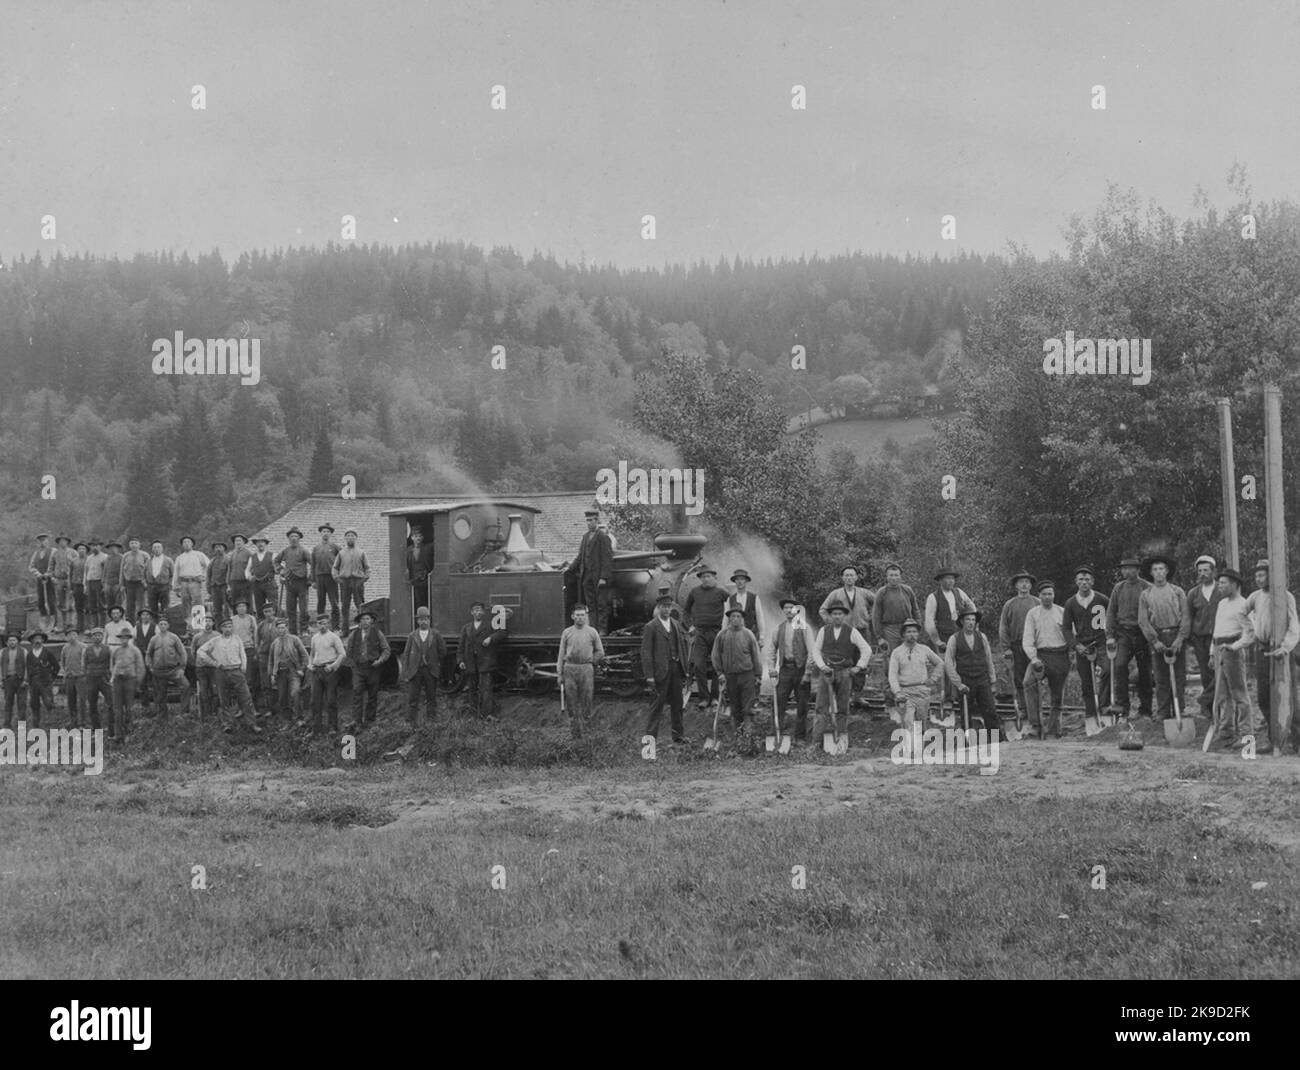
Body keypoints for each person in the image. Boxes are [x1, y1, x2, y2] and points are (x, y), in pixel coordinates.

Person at [1245, 558, 1299, 754]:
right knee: (1264, 697)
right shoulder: (1255, 597)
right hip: (1262, 651)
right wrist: (1252, 631)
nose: (1259, 579)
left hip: (1282, 652)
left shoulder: (1286, 597)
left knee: (1287, 696)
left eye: (1263, 575)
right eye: (1256, 575)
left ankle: (1297, 741)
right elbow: (1242, 613)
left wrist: (1285, 647)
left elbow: (1294, 626)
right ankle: (1274, 738)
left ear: (1272, 575)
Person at [1207, 567, 1256, 752]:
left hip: (1233, 650)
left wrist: (1235, 647)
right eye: (1219, 583)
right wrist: (1213, 652)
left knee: (1239, 693)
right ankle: (1226, 734)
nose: (1220, 586)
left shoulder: (1244, 604)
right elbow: (1217, 630)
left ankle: (1247, 737)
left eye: (1223, 583)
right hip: (1220, 649)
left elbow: (1250, 632)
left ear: (1235, 584)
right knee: (1222, 695)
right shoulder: (1222, 604)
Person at [1138, 553, 1189, 723]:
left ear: (1167, 571)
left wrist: (1179, 639)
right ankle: (1163, 712)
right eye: (1155, 569)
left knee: (1179, 677)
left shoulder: (1177, 591)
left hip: (1175, 635)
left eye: (1161, 569)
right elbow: (1143, 621)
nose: (1159, 572)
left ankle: (1179, 710)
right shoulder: (1146, 594)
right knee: (1160, 678)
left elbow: (1186, 617)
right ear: (1151, 573)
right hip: (1158, 636)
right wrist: (1154, 641)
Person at [813, 603, 872, 740]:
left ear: (844, 616)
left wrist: (858, 667)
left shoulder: (852, 631)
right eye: (834, 614)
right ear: (830, 616)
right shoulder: (823, 630)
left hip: (845, 672)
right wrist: (822, 666)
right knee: (821, 707)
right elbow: (816, 650)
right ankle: (816, 741)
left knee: (843, 707)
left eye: (840, 614)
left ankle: (840, 738)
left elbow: (866, 649)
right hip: (826, 672)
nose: (837, 617)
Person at [1062, 565, 1111, 724]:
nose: (1084, 582)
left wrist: (1111, 637)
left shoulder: (1102, 599)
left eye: (1087, 579)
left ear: (1092, 582)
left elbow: (1111, 620)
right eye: (1081, 580)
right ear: (1076, 582)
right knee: (1086, 680)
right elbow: (1067, 628)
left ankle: (1104, 707)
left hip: (1101, 642)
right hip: (1083, 645)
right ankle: (1091, 713)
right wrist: (1076, 645)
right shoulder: (1070, 603)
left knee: (1107, 671)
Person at [1106, 555, 1153, 719]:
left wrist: (1151, 636)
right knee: (1119, 666)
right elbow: (1111, 612)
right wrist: (1110, 636)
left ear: (1137, 570)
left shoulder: (1146, 587)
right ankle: (1122, 706)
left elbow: (1152, 613)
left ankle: (1146, 709)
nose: (1127, 572)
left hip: (1142, 634)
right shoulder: (1118, 588)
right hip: (1123, 634)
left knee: (1145, 671)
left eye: (1130, 568)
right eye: (1124, 569)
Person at [641, 594, 693, 745]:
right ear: (658, 608)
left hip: (676, 670)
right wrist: (649, 676)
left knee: (677, 705)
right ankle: (650, 743)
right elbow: (646, 653)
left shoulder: (676, 624)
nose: (666, 609)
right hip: (660, 673)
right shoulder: (651, 626)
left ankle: (678, 737)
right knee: (656, 707)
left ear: (672, 608)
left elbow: (683, 647)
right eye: (663, 607)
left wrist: (685, 669)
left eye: (669, 606)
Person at [944, 607, 1002, 738]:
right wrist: (958, 684)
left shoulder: (982, 637)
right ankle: (968, 742)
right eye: (968, 620)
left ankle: (997, 740)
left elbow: (989, 659)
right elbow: (948, 663)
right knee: (966, 713)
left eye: (973, 620)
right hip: (965, 681)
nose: (971, 622)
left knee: (990, 711)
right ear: (962, 622)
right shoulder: (954, 639)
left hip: (982, 679)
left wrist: (992, 681)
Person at [1023, 580, 1070, 739]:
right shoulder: (1033, 614)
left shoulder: (1062, 612)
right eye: (1044, 594)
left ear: (1054, 595)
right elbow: (1028, 639)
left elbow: (1072, 635)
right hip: (1041, 655)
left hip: (1059, 655)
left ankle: (1053, 729)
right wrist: (1034, 658)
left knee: (1057, 693)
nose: (1047, 597)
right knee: (1028, 682)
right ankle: (1035, 725)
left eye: (1050, 594)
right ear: (1039, 596)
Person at [196, 618, 261, 733]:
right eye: (225, 627)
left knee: (246, 697)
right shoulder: (216, 641)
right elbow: (200, 651)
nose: (228, 629)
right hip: (222, 672)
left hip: (236, 671)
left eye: (230, 626)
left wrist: (243, 667)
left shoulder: (237, 639)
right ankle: (227, 724)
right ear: (221, 628)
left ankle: (252, 724)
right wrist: (214, 663)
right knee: (224, 699)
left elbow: (242, 653)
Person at [711, 606, 764, 735]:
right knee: (735, 706)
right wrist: (720, 674)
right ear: (729, 619)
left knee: (747, 707)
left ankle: (748, 735)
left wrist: (758, 675)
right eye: (733, 617)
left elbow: (756, 656)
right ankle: (737, 734)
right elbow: (715, 655)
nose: (735, 619)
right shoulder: (722, 635)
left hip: (747, 675)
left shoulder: (748, 634)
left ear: (742, 619)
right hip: (730, 676)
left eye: (738, 617)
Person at [683, 565, 727, 710]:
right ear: (700, 579)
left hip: (717, 632)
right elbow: (686, 610)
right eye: (703, 577)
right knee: (698, 665)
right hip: (700, 633)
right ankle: (703, 698)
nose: (706, 579)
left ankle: (715, 697)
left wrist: (726, 627)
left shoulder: (721, 592)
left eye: (709, 576)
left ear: (714, 577)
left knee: (717, 665)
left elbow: (733, 607)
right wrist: (690, 625)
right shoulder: (695, 592)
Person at [769, 596, 813, 743]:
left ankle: (800, 737)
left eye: (791, 608)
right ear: (783, 611)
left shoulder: (804, 627)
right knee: (779, 701)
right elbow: (771, 649)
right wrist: (771, 668)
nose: (788, 610)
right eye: (786, 608)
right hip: (785, 670)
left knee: (802, 704)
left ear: (797, 610)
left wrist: (807, 672)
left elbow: (811, 652)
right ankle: (776, 733)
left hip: (800, 669)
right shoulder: (779, 628)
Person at [558, 604, 606, 738]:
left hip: (586, 669)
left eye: (582, 615)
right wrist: (559, 673)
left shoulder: (592, 632)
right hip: (570, 669)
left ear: (586, 617)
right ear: (573, 616)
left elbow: (600, 652)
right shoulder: (567, 632)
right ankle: (575, 735)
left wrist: (591, 662)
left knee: (587, 701)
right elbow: (561, 654)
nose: (580, 618)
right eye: (577, 615)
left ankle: (587, 735)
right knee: (571, 703)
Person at [886, 618, 943, 727]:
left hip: (922, 692)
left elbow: (940, 663)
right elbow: (892, 675)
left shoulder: (924, 649)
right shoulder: (897, 652)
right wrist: (897, 692)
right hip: (905, 693)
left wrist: (933, 679)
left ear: (918, 634)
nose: (912, 634)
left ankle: (920, 743)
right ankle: (909, 744)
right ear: (903, 634)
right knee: (908, 723)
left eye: (914, 632)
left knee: (921, 725)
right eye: (909, 632)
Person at [565, 509, 614, 632]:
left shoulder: (603, 537)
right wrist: (569, 568)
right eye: (587, 521)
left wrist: (603, 577)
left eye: (591, 520)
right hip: (586, 576)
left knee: (601, 604)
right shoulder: (585, 537)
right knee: (590, 605)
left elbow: (607, 559)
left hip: (598, 577)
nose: (589, 523)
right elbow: (580, 556)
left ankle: (602, 630)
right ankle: (593, 629)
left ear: (597, 521)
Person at [1186, 554, 1222, 719]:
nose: (1202, 574)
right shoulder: (1193, 593)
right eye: (1200, 571)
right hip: (1200, 639)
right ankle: (1209, 709)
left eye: (1206, 570)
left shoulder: (1221, 590)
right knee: (1206, 674)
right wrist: (1191, 638)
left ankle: (1210, 701)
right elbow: (1189, 616)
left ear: (1213, 572)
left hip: (1219, 637)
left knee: (1221, 672)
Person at [458, 601, 506, 719]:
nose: (477, 612)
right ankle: (473, 715)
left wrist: (491, 638)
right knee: (472, 689)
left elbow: (503, 632)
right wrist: (460, 661)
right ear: (471, 612)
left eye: (480, 610)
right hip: (470, 663)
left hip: (485, 662)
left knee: (486, 689)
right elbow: (460, 646)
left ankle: (487, 714)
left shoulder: (490, 625)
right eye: (475, 610)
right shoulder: (466, 628)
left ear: (483, 612)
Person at [345, 608, 391, 730]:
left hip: (373, 668)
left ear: (371, 621)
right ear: (359, 622)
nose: (364, 621)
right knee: (357, 693)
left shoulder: (378, 633)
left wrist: (379, 661)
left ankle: (370, 721)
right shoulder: (353, 634)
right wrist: (353, 665)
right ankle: (357, 721)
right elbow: (348, 651)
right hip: (358, 669)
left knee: (372, 694)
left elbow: (386, 650)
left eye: (367, 619)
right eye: (362, 619)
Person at [401, 606, 445, 727]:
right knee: (413, 698)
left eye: (425, 619)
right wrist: (406, 672)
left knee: (431, 697)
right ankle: (410, 722)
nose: (423, 621)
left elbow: (443, 652)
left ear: (429, 620)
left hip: (430, 671)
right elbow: (406, 654)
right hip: (416, 671)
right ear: (417, 621)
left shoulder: (436, 634)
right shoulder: (412, 636)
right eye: (421, 619)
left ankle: (431, 721)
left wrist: (436, 664)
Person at [306, 616, 347, 734]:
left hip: (329, 671)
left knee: (331, 700)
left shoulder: (334, 637)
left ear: (328, 624)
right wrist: (310, 665)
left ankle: (333, 727)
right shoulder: (314, 638)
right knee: (314, 700)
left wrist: (333, 666)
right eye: (319, 623)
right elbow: (312, 654)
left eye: (324, 623)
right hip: (316, 671)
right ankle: (316, 728)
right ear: (317, 625)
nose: (322, 626)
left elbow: (342, 654)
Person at [871, 563, 921, 653]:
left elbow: (915, 610)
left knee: (909, 654)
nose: (894, 578)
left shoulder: (907, 590)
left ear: (900, 577)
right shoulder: (882, 592)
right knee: (892, 655)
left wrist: (918, 627)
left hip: (907, 627)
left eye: (896, 575)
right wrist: (879, 637)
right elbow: (876, 616)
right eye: (891, 575)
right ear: (887, 577)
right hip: (890, 629)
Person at [146, 617, 189, 719]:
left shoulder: (174, 637)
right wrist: (150, 666)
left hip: (173, 670)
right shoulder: (154, 639)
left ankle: (184, 713)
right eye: (161, 624)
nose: (163, 626)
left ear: (168, 626)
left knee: (186, 686)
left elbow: (182, 652)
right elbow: (148, 654)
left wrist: (182, 668)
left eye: (165, 624)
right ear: (158, 626)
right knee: (160, 694)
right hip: (159, 671)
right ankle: (162, 715)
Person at [268, 618, 309, 722]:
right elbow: (271, 661)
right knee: (282, 697)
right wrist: (272, 674)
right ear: (276, 629)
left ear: (286, 628)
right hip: (280, 673)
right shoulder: (274, 643)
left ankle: (299, 717)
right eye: (279, 628)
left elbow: (305, 655)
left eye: (283, 627)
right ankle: (287, 720)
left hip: (293, 671)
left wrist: (302, 669)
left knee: (295, 692)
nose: (281, 630)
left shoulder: (294, 639)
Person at [819, 565, 874, 641]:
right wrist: (832, 621)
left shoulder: (864, 592)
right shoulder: (836, 594)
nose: (849, 578)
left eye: (851, 575)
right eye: (846, 575)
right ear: (842, 578)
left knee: (865, 651)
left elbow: (878, 603)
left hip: (862, 630)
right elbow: (823, 610)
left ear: (856, 577)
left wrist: (870, 616)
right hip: (843, 630)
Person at [276, 527, 313, 635]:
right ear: (288, 538)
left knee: (303, 609)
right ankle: (292, 631)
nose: (293, 539)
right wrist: (281, 570)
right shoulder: (285, 551)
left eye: (296, 536)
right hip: (289, 583)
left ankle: (304, 629)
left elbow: (313, 564)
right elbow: (276, 561)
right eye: (291, 536)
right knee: (290, 609)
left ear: (299, 538)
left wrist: (310, 579)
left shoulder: (304, 551)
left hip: (302, 583)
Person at [106, 628, 141, 739]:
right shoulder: (116, 651)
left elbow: (140, 667)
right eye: (122, 638)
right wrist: (114, 676)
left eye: (126, 638)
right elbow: (112, 666)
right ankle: (118, 734)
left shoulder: (135, 650)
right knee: (117, 709)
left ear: (129, 639)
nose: (124, 640)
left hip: (130, 680)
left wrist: (137, 682)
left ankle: (129, 733)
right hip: (118, 681)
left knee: (129, 708)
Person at [332, 529, 370, 627]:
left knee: (360, 605)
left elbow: (367, 568)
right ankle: (345, 629)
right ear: (345, 538)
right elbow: (335, 567)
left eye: (352, 536)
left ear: (356, 538)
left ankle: (362, 627)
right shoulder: (341, 553)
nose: (350, 538)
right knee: (345, 606)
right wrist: (337, 578)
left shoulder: (361, 552)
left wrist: (364, 579)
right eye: (348, 536)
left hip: (358, 581)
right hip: (345, 581)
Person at [24, 630, 60, 728]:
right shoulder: (29, 655)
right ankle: (36, 726)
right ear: (31, 641)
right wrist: (30, 682)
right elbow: (28, 668)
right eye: (35, 639)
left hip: (46, 683)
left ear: (43, 640)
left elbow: (56, 667)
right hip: (34, 684)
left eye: (39, 639)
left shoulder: (47, 653)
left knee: (49, 703)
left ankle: (51, 725)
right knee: (34, 705)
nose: (37, 641)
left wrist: (51, 678)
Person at [189, 614, 221, 721]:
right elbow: (193, 652)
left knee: (215, 691)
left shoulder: (217, 635)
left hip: (214, 667)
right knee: (203, 691)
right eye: (205, 621)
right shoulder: (197, 637)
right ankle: (205, 715)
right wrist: (198, 662)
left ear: (213, 623)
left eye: (209, 621)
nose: (207, 623)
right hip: (201, 668)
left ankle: (214, 713)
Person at [83, 627, 115, 734]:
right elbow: (84, 664)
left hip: (104, 678)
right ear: (92, 637)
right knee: (92, 704)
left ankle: (112, 728)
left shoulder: (107, 649)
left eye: (99, 635)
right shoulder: (87, 649)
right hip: (91, 678)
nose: (97, 637)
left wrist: (110, 677)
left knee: (111, 703)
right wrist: (86, 676)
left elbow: (111, 664)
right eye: (95, 635)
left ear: (102, 637)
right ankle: (96, 728)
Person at [174, 536, 210, 624]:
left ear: (192, 544)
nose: (186, 544)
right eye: (184, 542)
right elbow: (176, 573)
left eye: (188, 542)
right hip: (183, 583)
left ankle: (198, 625)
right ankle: (189, 627)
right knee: (185, 604)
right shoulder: (179, 558)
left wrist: (203, 576)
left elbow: (209, 566)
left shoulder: (199, 554)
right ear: (182, 545)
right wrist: (176, 587)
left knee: (197, 603)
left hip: (195, 582)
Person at [726, 569, 766, 647]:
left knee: (753, 658)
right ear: (735, 582)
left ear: (746, 581)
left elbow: (760, 617)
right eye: (737, 579)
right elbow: (726, 619)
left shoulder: (754, 597)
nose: (739, 582)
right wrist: (723, 634)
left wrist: (762, 637)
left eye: (742, 579)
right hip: (735, 636)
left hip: (752, 635)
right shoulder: (730, 599)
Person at [312, 524, 340, 631]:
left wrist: (339, 575)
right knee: (320, 602)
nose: (325, 533)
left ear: (331, 534)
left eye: (328, 532)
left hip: (331, 578)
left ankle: (336, 627)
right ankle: (321, 626)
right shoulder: (316, 548)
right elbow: (313, 565)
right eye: (324, 531)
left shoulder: (335, 547)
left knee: (334, 603)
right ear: (321, 533)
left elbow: (342, 560)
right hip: (319, 578)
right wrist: (313, 580)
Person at [230, 600, 258, 703]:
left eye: (243, 606)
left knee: (249, 676)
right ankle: (239, 703)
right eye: (239, 606)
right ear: (236, 609)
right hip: (236, 650)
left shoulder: (251, 618)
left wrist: (255, 648)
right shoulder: (232, 619)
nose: (241, 608)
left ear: (246, 608)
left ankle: (250, 702)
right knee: (237, 677)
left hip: (248, 648)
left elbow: (255, 633)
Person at [28, 533, 57, 633]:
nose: (42, 542)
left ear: (48, 541)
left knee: (51, 600)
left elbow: (55, 565)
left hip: (50, 579)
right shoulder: (36, 553)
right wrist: (39, 574)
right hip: (40, 580)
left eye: (44, 540)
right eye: (40, 540)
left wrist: (48, 574)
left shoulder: (53, 551)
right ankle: (44, 618)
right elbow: (31, 567)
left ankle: (54, 621)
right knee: (41, 600)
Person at [119, 536, 151, 623]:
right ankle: (130, 623)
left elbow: (149, 570)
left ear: (139, 545)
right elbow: (122, 571)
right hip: (129, 584)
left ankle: (140, 623)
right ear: (129, 545)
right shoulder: (125, 556)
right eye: (132, 543)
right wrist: (121, 584)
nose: (134, 545)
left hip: (140, 583)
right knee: (129, 605)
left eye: (136, 543)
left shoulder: (145, 555)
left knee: (141, 605)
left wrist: (147, 583)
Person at [405, 527, 435, 615]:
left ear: (422, 538)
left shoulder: (428, 548)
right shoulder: (408, 550)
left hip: (426, 581)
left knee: (428, 601)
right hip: (414, 581)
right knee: (416, 603)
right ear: (412, 538)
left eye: (419, 536)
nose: (418, 538)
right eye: (415, 536)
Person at [255, 604, 279, 713]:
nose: (268, 614)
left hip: (277, 655)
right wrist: (258, 653)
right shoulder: (261, 625)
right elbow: (257, 641)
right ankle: (268, 708)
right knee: (265, 682)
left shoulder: (280, 623)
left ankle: (281, 707)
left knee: (278, 680)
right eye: (265, 612)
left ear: (273, 611)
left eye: (270, 611)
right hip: (264, 655)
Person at [60, 628, 87, 727]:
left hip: (80, 678)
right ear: (66, 637)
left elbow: (87, 662)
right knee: (71, 701)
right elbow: (63, 662)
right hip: (69, 677)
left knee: (82, 701)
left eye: (74, 634)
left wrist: (83, 673)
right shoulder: (65, 648)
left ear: (77, 636)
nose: (72, 637)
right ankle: (73, 721)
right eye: (69, 635)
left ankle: (82, 722)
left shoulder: (84, 647)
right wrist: (65, 673)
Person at [133, 609, 158, 716]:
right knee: (143, 681)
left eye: (147, 614)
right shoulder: (136, 628)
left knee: (155, 680)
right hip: (141, 657)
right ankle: (145, 705)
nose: (145, 616)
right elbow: (133, 641)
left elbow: (157, 641)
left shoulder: (155, 627)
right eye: (143, 615)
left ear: (150, 617)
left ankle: (157, 704)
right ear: (140, 617)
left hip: (152, 656)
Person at [247, 536, 278, 618]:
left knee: (273, 605)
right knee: (259, 606)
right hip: (257, 584)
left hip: (269, 583)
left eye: (262, 542)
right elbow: (247, 570)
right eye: (258, 542)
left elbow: (279, 567)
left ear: (265, 544)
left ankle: (276, 624)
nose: (260, 544)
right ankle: (261, 625)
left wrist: (279, 571)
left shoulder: (273, 555)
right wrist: (249, 577)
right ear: (256, 544)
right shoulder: (252, 557)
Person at [2, 631, 27, 729]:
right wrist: (1, 680)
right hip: (8, 680)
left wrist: (25, 679)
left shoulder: (24, 651)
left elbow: (27, 667)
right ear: (7, 642)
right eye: (10, 640)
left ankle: (22, 727)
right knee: (8, 704)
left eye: (14, 640)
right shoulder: (2, 652)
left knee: (22, 704)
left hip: (20, 680)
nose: (12, 642)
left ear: (18, 641)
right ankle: (6, 726)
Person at [144, 540, 174, 621]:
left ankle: (166, 623)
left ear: (162, 549)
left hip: (164, 586)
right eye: (154, 547)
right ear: (152, 549)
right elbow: (144, 574)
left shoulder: (168, 560)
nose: (156, 549)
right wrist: (146, 584)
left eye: (158, 547)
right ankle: (154, 624)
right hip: (151, 587)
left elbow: (172, 574)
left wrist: (170, 584)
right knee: (152, 607)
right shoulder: (148, 561)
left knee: (165, 607)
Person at [83, 538, 109, 630]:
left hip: (100, 582)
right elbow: (86, 572)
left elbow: (107, 572)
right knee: (92, 605)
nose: (95, 547)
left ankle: (102, 626)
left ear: (100, 546)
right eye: (93, 545)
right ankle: (94, 626)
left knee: (102, 604)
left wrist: (104, 584)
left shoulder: (105, 557)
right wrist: (85, 585)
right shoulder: (89, 558)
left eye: (97, 545)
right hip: (90, 582)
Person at [50, 534, 73, 632]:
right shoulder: (55, 554)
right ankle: (61, 625)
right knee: (60, 603)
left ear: (67, 542)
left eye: (64, 541)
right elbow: (50, 567)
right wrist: (52, 578)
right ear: (58, 542)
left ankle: (70, 625)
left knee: (70, 602)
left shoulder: (73, 552)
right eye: (60, 541)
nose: (62, 542)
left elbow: (77, 566)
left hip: (69, 579)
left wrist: (72, 579)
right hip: (58, 580)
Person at [226, 534, 253, 616]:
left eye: (239, 540)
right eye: (236, 541)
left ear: (244, 542)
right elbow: (229, 569)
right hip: (234, 582)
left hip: (245, 582)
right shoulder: (233, 554)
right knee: (234, 602)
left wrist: (250, 577)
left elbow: (253, 567)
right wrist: (228, 584)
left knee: (246, 602)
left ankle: (249, 619)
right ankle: (235, 619)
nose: (237, 542)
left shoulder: (248, 553)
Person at [206, 540, 230, 629]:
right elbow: (208, 575)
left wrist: (228, 586)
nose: (218, 549)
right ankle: (218, 628)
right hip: (214, 587)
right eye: (216, 547)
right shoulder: (212, 561)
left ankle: (228, 627)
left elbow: (229, 573)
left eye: (220, 547)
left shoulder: (227, 560)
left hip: (224, 587)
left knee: (227, 609)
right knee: (216, 610)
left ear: (224, 549)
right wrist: (208, 587)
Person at [69, 542, 89, 632]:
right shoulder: (74, 561)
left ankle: (87, 627)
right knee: (78, 607)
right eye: (79, 549)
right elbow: (70, 574)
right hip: (76, 586)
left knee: (87, 606)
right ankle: (79, 626)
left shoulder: (89, 560)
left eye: (83, 549)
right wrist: (71, 587)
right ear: (77, 550)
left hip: (87, 586)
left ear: (86, 550)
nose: (81, 550)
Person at [102, 540, 124, 619]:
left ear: (118, 548)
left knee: (118, 604)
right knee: (109, 604)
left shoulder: (121, 558)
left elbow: (123, 572)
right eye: (110, 548)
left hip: (117, 583)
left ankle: (119, 620)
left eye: (114, 547)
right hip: (108, 584)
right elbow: (105, 571)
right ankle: (110, 621)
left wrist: (121, 584)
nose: (112, 549)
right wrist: (104, 584)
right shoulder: (107, 558)